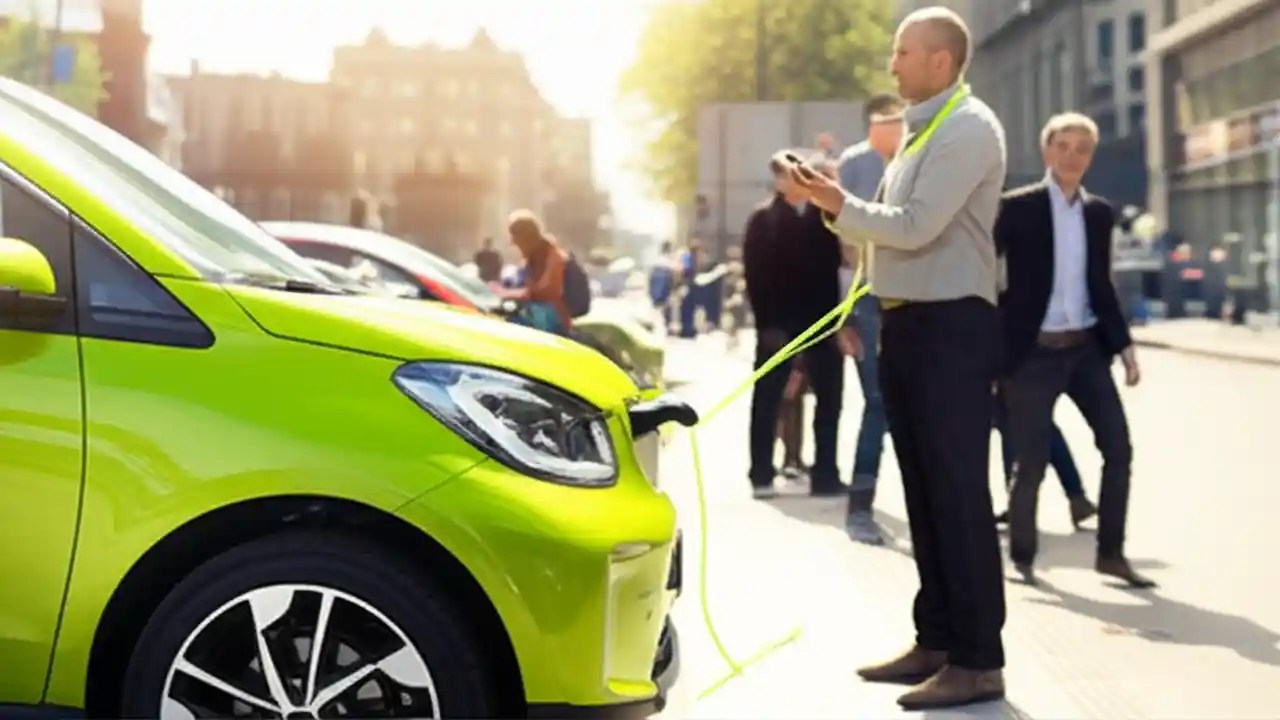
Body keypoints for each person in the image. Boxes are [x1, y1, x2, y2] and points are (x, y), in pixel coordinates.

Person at [789, 7, 1008, 709]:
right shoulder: (923, 132)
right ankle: (939, 640)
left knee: (957, 495)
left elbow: (913, 230)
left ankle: (979, 660)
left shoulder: (969, 129)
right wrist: (839, 204)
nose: (893, 64)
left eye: (903, 52)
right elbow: (887, 237)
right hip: (909, 326)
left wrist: (836, 200)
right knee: (923, 490)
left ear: (941, 62)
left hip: (951, 331)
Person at [997, 112, 1154, 589]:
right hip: (1032, 354)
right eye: (1062, 146)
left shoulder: (1098, 212)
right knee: (1032, 461)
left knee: (1119, 449)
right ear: (1047, 152)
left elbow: (1100, 284)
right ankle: (1023, 555)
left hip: (1085, 351)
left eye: (1081, 148)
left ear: (1091, 156)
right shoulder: (1015, 207)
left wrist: (1124, 346)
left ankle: (1111, 554)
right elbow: (984, 274)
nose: (1071, 156)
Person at [743, 152, 845, 499]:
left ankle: (826, 473)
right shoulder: (763, 220)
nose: (791, 182)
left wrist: (837, 322)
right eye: (784, 176)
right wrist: (765, 324)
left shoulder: (824, 219)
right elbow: (754, 277)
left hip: (822, 320)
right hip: (778, 324)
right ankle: (761, 473)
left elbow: (836, 270)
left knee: (830, 398)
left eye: (796, 175)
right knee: (768, 397)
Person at [834, 92, 905, 546]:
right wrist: (845, 317)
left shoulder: (922, 159)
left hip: (917, 298)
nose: (895, 126)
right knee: (879, 405)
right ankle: (860, 508)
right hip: (869, 300)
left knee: (921, 410)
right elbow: (845, 243)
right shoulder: (855, 165)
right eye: (887, 119)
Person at [499, 210, 572, 336]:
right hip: (536, 315)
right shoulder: (529, 261)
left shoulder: (553, 258)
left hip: (552, 319)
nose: (517, 246)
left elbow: (547, 291)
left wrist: (510, 294)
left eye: (517, 241)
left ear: (527, 238)